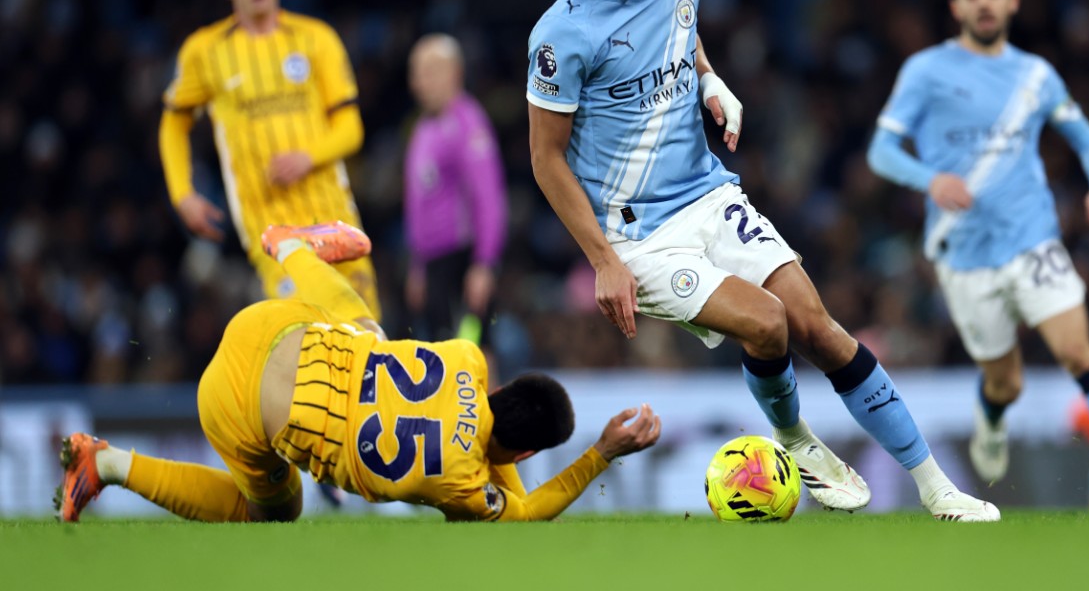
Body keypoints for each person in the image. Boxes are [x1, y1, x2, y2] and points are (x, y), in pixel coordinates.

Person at [526, 0, 998, 521]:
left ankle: (936, 488)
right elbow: (546, 159)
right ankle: (796, 439)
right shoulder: (561, 33)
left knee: (820, 328)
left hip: (707, 194)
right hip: (637, 238)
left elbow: (680, 37)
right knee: (768, 324)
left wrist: (711, 80)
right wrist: (604, 260)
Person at [56, 222, 660, 523]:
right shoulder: (463, 486)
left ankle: (290, 247)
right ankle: (106, 464)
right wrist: (602, 452)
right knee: (272, 512)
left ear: (499, 385)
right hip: (230, 409)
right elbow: (523, 513)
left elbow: (484, 418)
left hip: (267, 322)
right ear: (523, 457)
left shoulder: (466, 359)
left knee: (369, 334)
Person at [866, 0, 1089, 510]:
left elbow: (1087, 139)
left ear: (1013, 2)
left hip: (1033, 239)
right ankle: (992, 419)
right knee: (1005, 380)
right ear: (956, 6)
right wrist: (929, 179)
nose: (984, 3)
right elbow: (881, 151)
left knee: (1079, 351)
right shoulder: (926, 71)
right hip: (962, 256)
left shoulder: (1036, 76)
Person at [159, 0, 380, 318]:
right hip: (273, 236)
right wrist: (182, 194)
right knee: (303, 345)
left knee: (367, 340)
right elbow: (175, 122)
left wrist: (307, 157)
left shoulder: (317, 39)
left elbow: (351, 128)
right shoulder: (204, 51)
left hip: (337, 224)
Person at [404, 33, 506, 363]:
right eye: (415, 71)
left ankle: (493, 416)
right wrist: (418, 264)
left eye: (428, 70)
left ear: (454, 73)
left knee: (475, 354)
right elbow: (419, 204)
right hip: (434, 265)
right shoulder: (423, 128)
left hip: (462, 261)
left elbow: (489, 198)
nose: (418, 82)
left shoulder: (468, 123)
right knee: (440, 355)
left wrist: (483, 264)